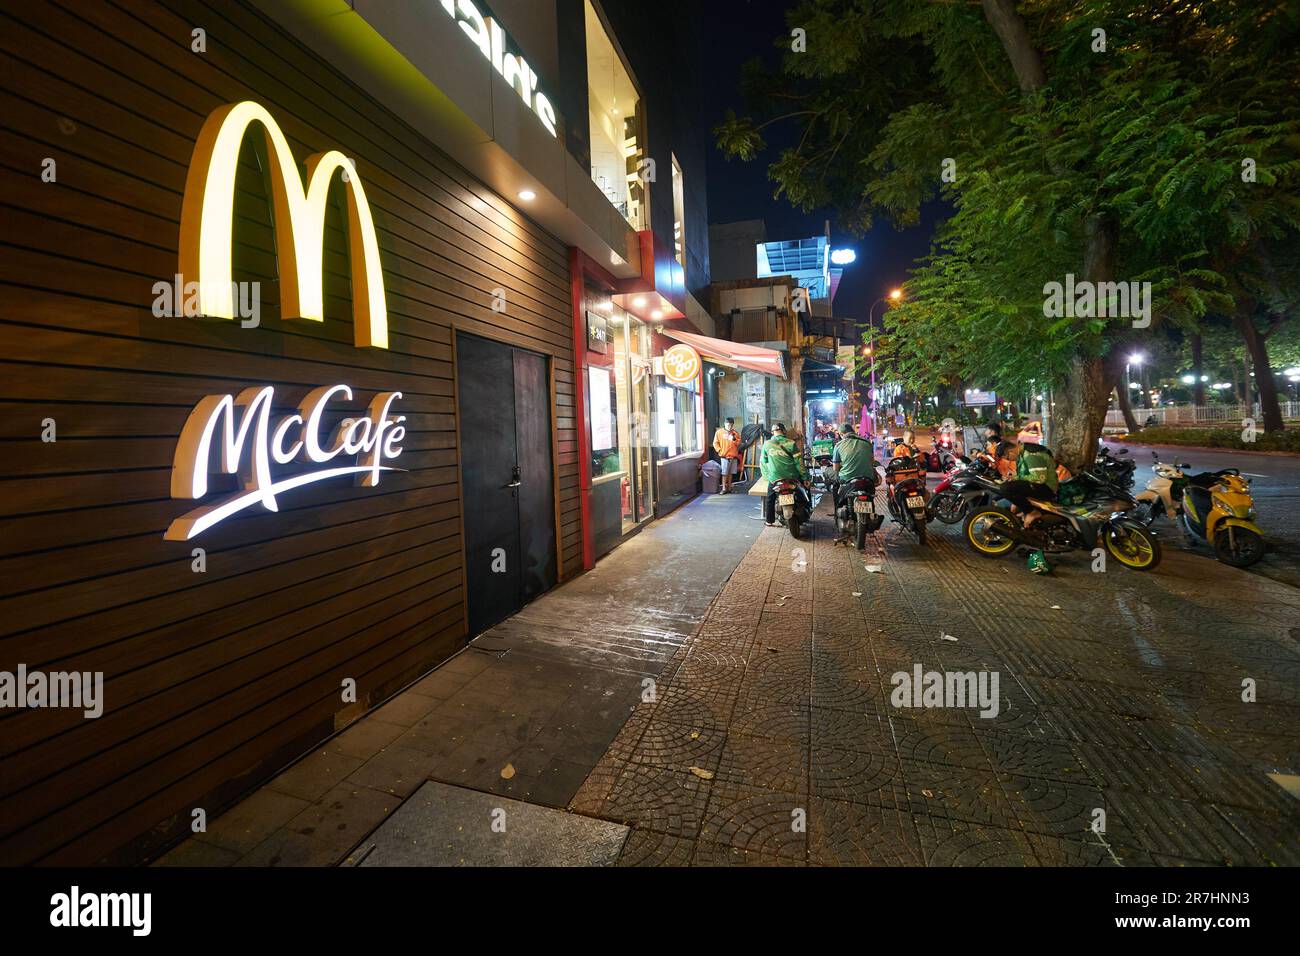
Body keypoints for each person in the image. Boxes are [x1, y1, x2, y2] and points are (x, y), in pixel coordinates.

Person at [997, 440, 1060, 574]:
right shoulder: (1023, 454)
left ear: (1011, 451)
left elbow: (1039, 478)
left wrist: (1016, 481)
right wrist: (1015, 479)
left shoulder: (1031, 454)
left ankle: (1032, 512)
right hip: (1038, 486)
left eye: (1008, 458)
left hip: (1046, 489)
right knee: (1007, 492)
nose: (1009, 460)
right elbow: (1027, 476)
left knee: (1005, 489)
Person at [760, 422, 808, 525]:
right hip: (792, 477)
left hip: (775, 478)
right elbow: (799, 463)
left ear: (773, 432)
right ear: (784, 431)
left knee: (770, 498)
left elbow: (763, 463)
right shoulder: (791, 443)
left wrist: (768, 477)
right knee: (803, 491)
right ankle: (806, 511)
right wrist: (805, 478)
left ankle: (769, 520)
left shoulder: (767, 444)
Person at [831, 421, 878, 508]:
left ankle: (837, 511)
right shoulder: (867, 443)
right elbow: (871, 462)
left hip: (848, 480)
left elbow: (835, 468)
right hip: (868, 479)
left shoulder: (838, 445)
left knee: (834, 483)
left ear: (842, 434)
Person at [712, 417, 742, 494]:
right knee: (724, 473)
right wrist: (719, 450)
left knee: (731, 472)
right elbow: (715, 443)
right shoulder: (719, 432)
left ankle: (729, 487)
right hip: (724, 456)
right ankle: (724, 488)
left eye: (731, 425)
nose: (730, 426)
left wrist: (734, 439)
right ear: (725, 424)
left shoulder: (735, 433)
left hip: (733, 456)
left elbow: (738, 443)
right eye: (728, 424)